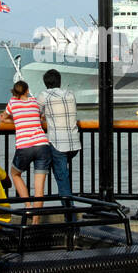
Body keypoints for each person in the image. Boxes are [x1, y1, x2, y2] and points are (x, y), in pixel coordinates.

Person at [0, 80, 51, 209]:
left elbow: (4, 118)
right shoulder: (34, 102)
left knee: (15, 174)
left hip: (24, 146)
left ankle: (28, 205)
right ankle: (36, 222)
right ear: (27, 91)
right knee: (39, 190)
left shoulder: (13, 103)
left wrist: (16, 120)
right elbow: (40, 117)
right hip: (42, 144)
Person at [37, 69, 80, 197]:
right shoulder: (70, 94)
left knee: (62, 179)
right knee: (61, 172)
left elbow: (35, 114)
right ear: (60, 82)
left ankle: (70, 215)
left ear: (45, 83)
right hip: (74, 144)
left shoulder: (44, 95)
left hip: (58, 144)